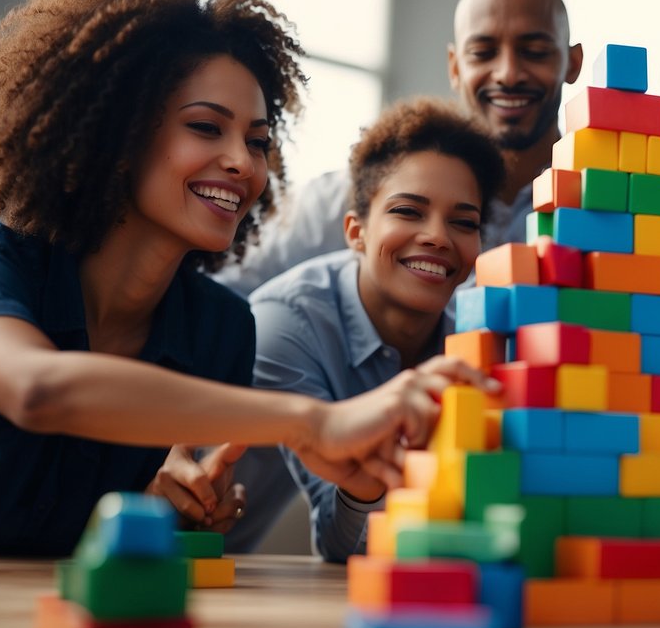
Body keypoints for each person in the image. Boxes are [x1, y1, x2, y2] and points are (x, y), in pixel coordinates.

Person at [0, 0, 491, 557]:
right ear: (118, 137)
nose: (243, 163)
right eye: (205, 127)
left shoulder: (221, 331)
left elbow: (106, 519)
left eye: (257, 141)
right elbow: (39, 390)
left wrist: (172, 506)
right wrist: (314, 423)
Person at [169, 98, 503, 561]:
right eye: (408, 211)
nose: (438, 237)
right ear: (355, 231)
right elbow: (337, 538)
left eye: (463, 222)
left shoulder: (480, 339)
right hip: (189, 566)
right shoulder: (283, 324)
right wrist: (367, 488)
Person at [212, 0, 581, 296]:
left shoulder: (610, 207)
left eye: (534, 51)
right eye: (482, 53)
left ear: (573, 62)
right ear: (454, 68)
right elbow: (223, 294)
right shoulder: (354, 195)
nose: (508, 74)